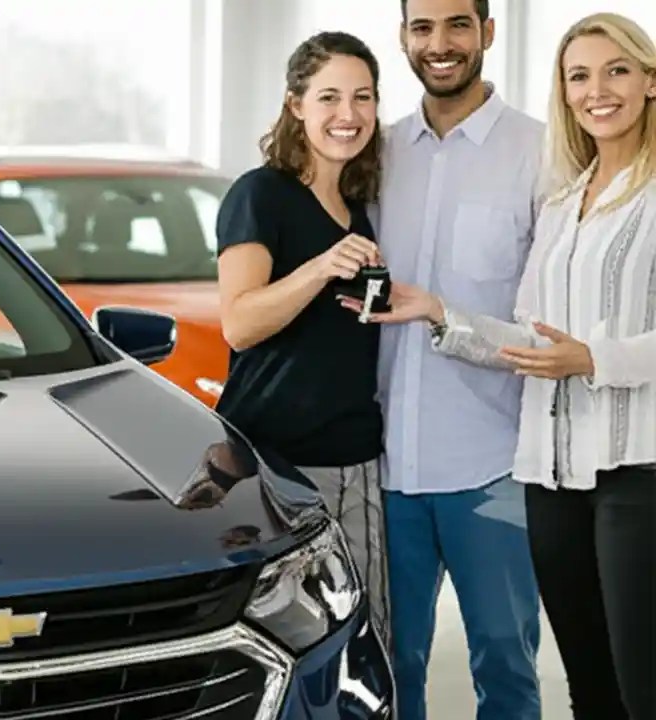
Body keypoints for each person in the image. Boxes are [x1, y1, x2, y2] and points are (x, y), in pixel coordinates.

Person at [350, 11, 656, 719]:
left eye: (615, 71)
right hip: (499, 466)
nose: (596, 90)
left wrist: (594, 358)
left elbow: (576, 342)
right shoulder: (558, 197)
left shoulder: (551, 159)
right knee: (573, 677)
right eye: (580, 75)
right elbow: (526, 332)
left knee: (572, 674)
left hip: (569, 465)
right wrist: (438, 314)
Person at [366, 1, 546, 717]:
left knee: (505, 662)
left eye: (457, 26)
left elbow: (544, 333)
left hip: (493, 466)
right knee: (390, 662)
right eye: (422, 28)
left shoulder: (541, 153)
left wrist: (443, 314)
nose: (439, 45)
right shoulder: (374, 152)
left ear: (488, 32)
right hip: (386, 470)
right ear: (405, 37)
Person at [212, 31, 390, 649]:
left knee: (365, 645)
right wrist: (319, 267)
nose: (349, 115)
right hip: (277, 466)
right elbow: (239, 323)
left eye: (363, 97)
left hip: (357, 461)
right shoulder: (260, 194)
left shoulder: (358, 206)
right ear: (296, 105)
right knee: (286, 646)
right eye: (330, 97)